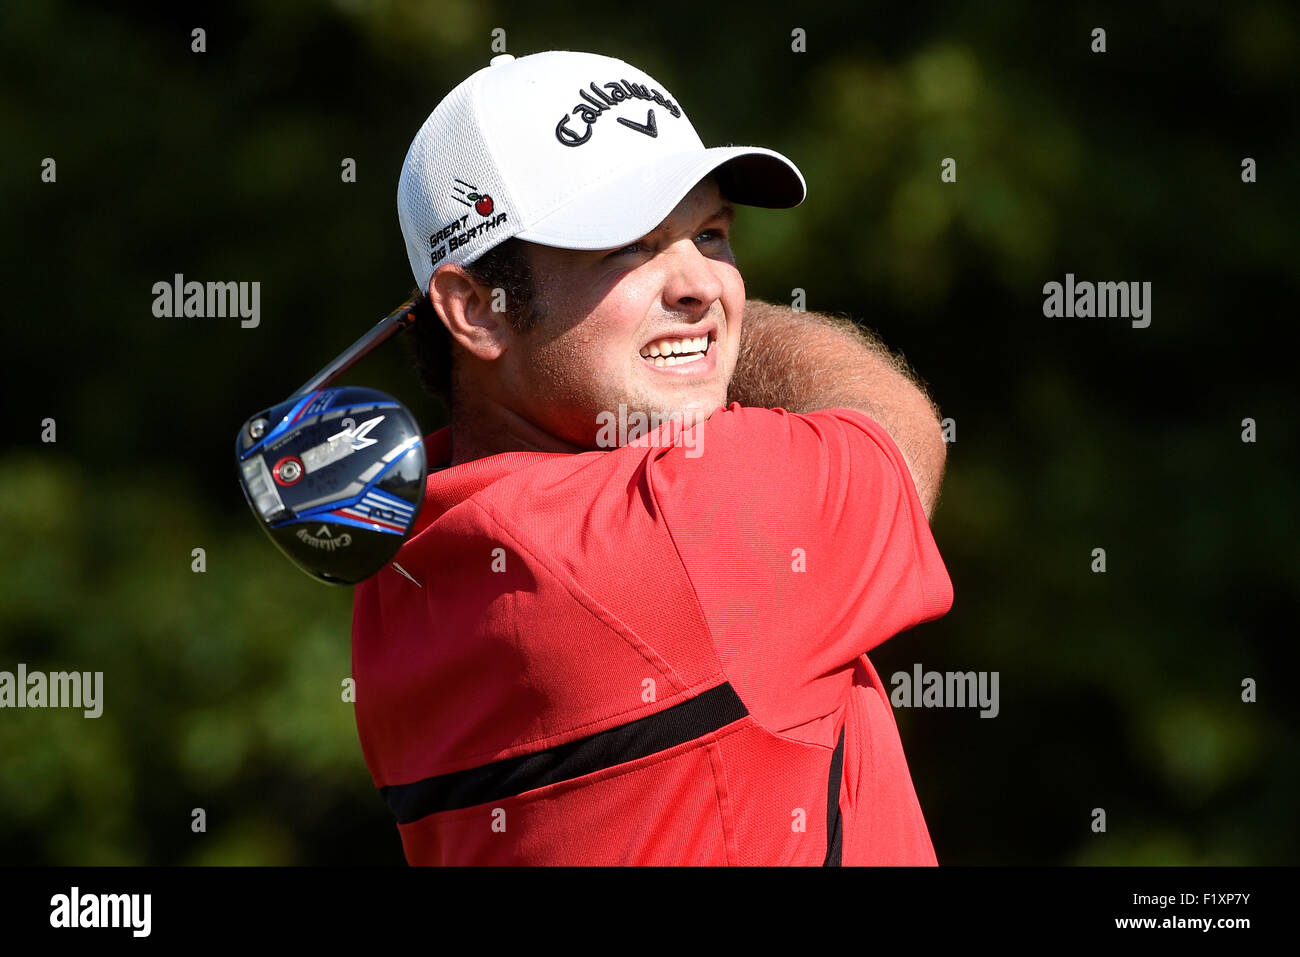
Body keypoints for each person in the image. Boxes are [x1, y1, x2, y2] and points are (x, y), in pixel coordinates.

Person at [350, 50, 954, 865]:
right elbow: (900, 431)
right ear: (477, 311)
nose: (703, 284)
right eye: (629, 248)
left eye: (710, 234)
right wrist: (717, 332)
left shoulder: (399, 577)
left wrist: (665, 329)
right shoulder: (691, 521)